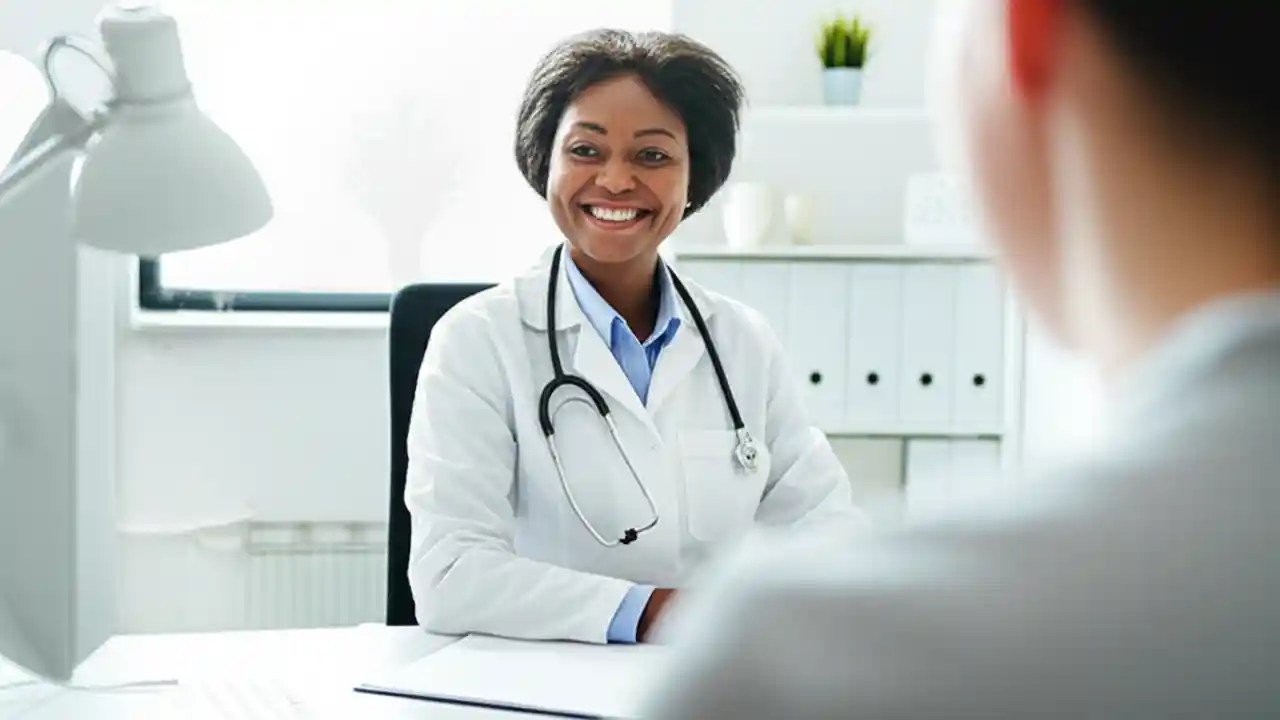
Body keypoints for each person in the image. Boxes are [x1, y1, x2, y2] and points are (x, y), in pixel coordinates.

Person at [642, 1, 1279, 716]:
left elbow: (819, 510)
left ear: (1029, 27)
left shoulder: (809, 663)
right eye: (588, 149)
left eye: (653, 154)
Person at [403, 29, 856, 646]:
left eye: (652, 156)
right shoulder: (477, 341)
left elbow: (825, 533)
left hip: (712, 684)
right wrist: (654, 612)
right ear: (546, 164)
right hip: (535, 684)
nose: (615, 181)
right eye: (586, 150)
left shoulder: (742, 344)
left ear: (695, 177)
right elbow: (450, 575)